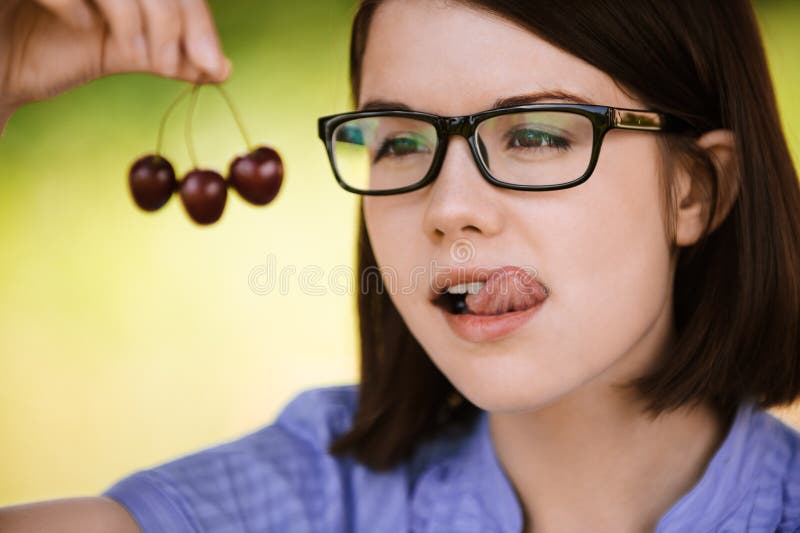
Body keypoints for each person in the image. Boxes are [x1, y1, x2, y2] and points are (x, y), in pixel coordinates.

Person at [1, 0, 799, 531]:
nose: (450, 206)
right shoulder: (313, 497)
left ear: (695, 191)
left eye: (533, 135)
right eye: (403, 142)